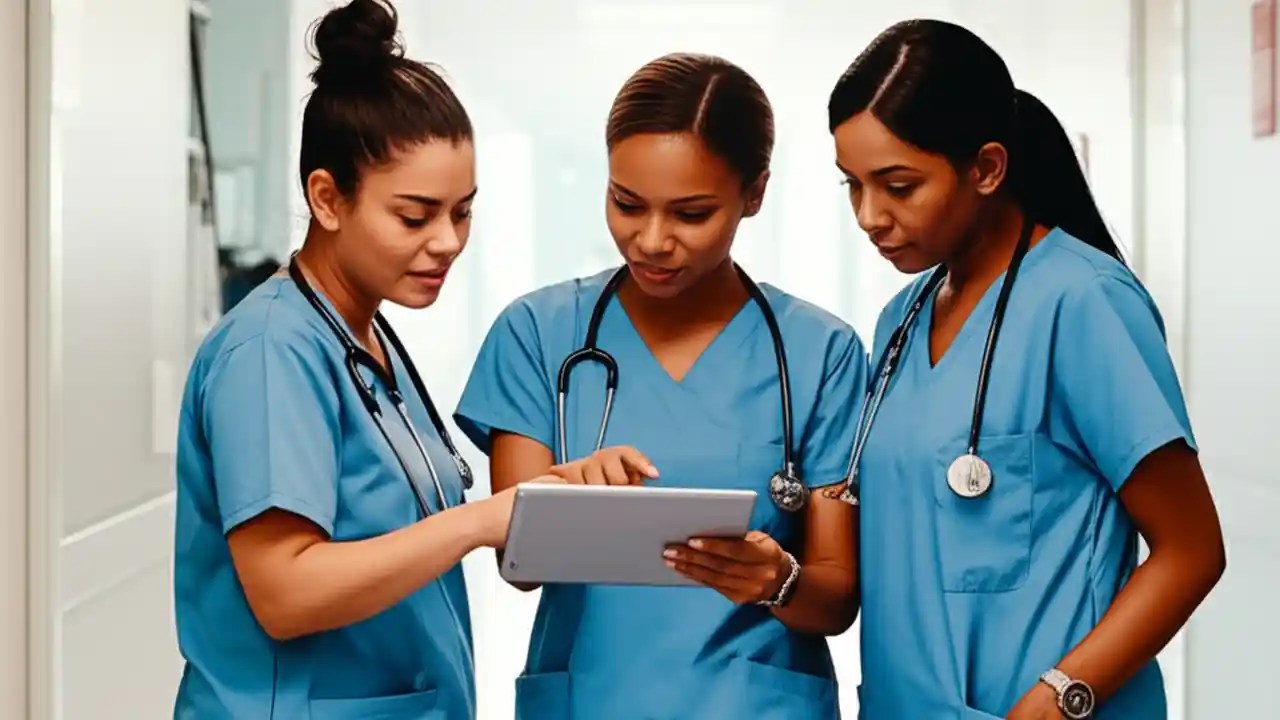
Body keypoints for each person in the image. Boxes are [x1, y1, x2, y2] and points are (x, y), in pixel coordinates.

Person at [826, 19, 1226, 720]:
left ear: (985, 167)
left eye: (897, 186)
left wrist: (1055, 701)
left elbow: (1191, 550)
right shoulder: (900, 323)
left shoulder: (1083, 302)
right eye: (852, 186)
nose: (870, 216)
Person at [171, 2, 558, 717]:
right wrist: (479, 522)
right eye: (415, 216)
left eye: (462, 211)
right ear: (327, 198)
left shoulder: (363, 337)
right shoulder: (271, 351)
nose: (446, 241)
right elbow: (286, 593)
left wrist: (537, 504)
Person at [454, 53, 867, 718]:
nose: (650, 240)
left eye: (691, 213)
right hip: (591, 698)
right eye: (626, 204)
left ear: (755, 194)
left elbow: (837, 595)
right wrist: (564, 494)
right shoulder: (538, 332)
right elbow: (520, 567)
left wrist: (777, 580)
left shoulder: (822, 353)